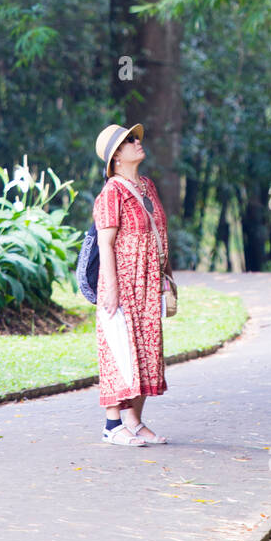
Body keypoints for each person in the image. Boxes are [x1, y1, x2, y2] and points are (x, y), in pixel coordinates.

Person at [93, 122, 174, 446]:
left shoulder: (147, 186)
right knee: (120, 350)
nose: (136, 142)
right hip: (123, 281)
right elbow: (105, 244)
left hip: (148, 281)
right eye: (128, 141)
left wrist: (165, 274)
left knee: (146, 348)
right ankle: (112, 425)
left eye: (135, 138)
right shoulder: (112, 192)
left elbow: (157, 232)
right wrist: (111, 288)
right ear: (116, 158)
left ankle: (134, 420)